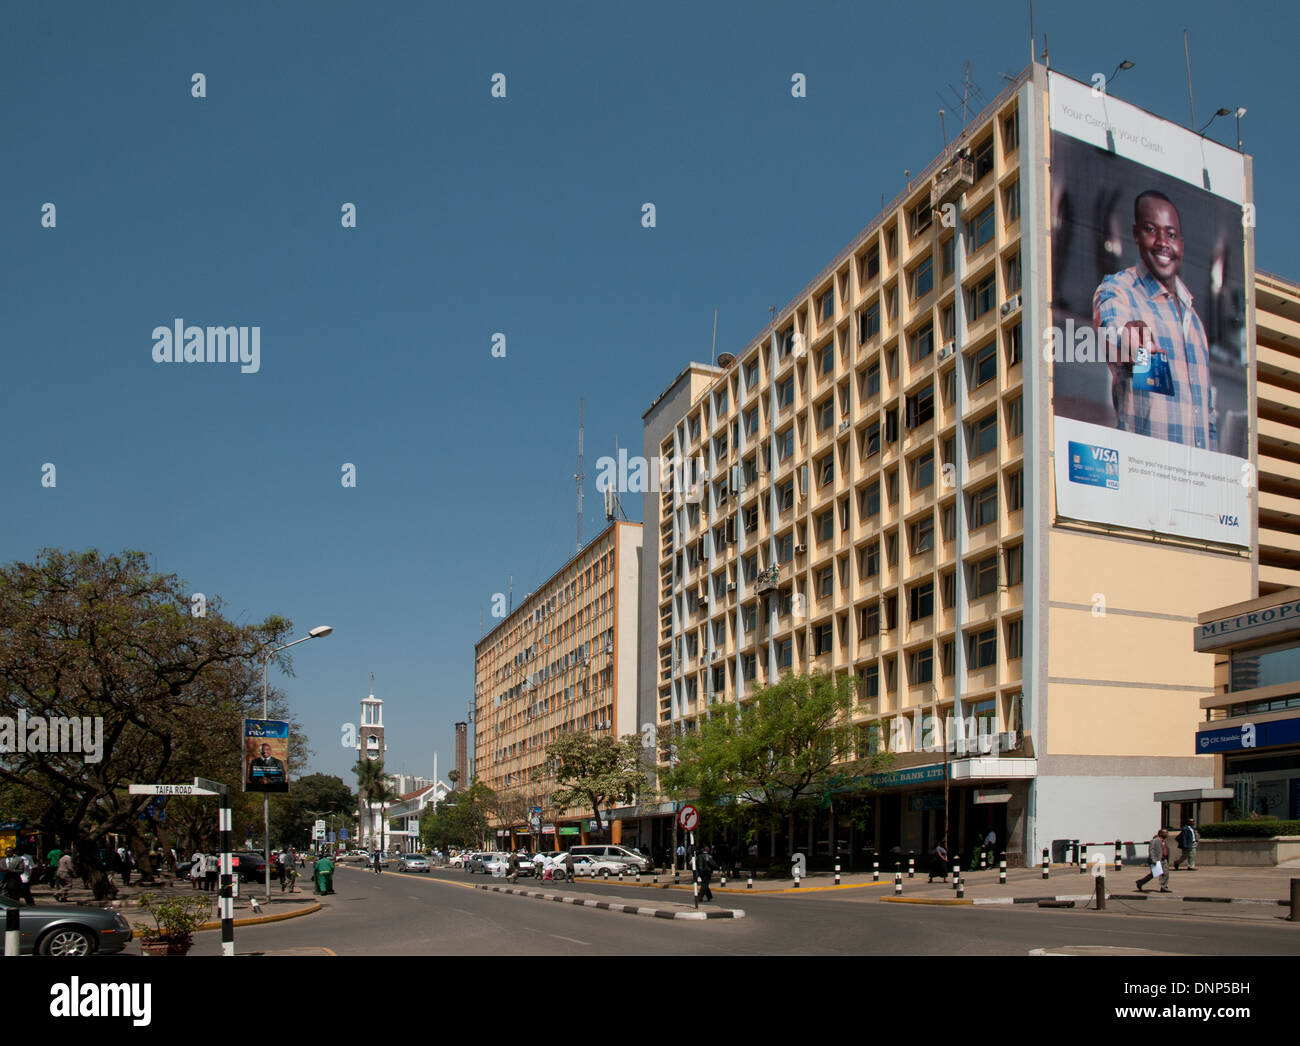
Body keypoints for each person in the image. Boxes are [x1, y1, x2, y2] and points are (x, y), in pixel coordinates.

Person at [1093, 190, 1216, 453]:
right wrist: (1129, 340)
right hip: (1146, 476)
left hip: (1199, 484)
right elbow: (1112, 328)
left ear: (1181, 243)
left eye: (1171, 234)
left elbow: (1207, 415)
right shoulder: (1120, 290)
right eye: (1151, 230)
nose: (1162, 242)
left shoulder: (1194, 322)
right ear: (1136, 233)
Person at [1136, 828, 1172, 893]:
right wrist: (1153, 860)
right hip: (1157, 860)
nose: (1167, 834)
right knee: (1154, 874)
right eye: (1165, 832)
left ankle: (1164, 887)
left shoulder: (1164, 841)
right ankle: (1140, 882)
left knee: (1166, 873)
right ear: (1160, 833)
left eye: (1167, 832)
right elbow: (1151, 851)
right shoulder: (1155, 841)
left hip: (1164, 860)